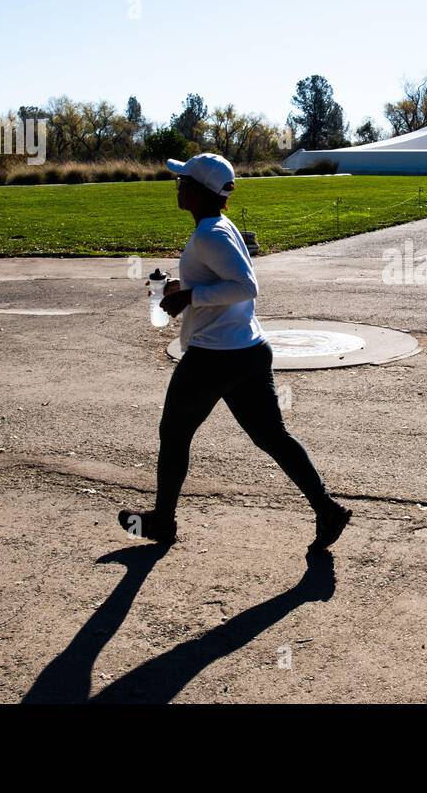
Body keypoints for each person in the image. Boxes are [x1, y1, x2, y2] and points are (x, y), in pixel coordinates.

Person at [118, 153, 352, 551]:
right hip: (248, 349)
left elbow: (246, 287)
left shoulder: (211, 233)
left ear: (198, 190)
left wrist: (191, 294)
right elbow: (224, 282)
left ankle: (162, 522)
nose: (178, 186)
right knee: (272, 436)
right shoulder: (218, 227)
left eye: (183, 181)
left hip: (214, 356)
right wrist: (181, 287)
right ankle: (326, 509)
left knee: (174, 435)